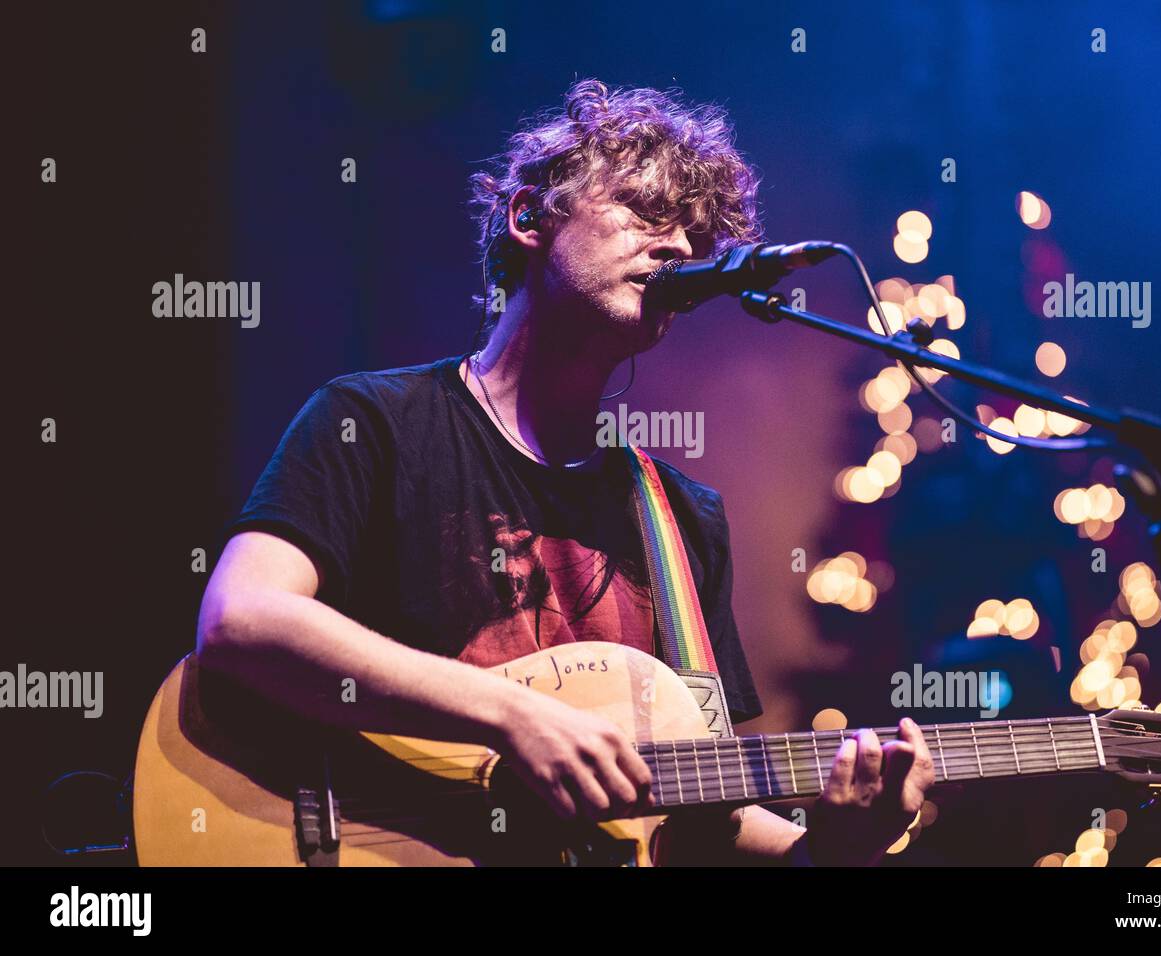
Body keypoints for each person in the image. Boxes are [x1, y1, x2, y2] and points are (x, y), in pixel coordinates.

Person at [196, 77, 934, 865]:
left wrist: (833, 846)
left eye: (695, 238)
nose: (681, 249)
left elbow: (700, 813)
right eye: (648, 214)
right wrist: (513, 717)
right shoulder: (373, 421)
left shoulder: (680, 519)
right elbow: (242, 620)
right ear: (528, 219)